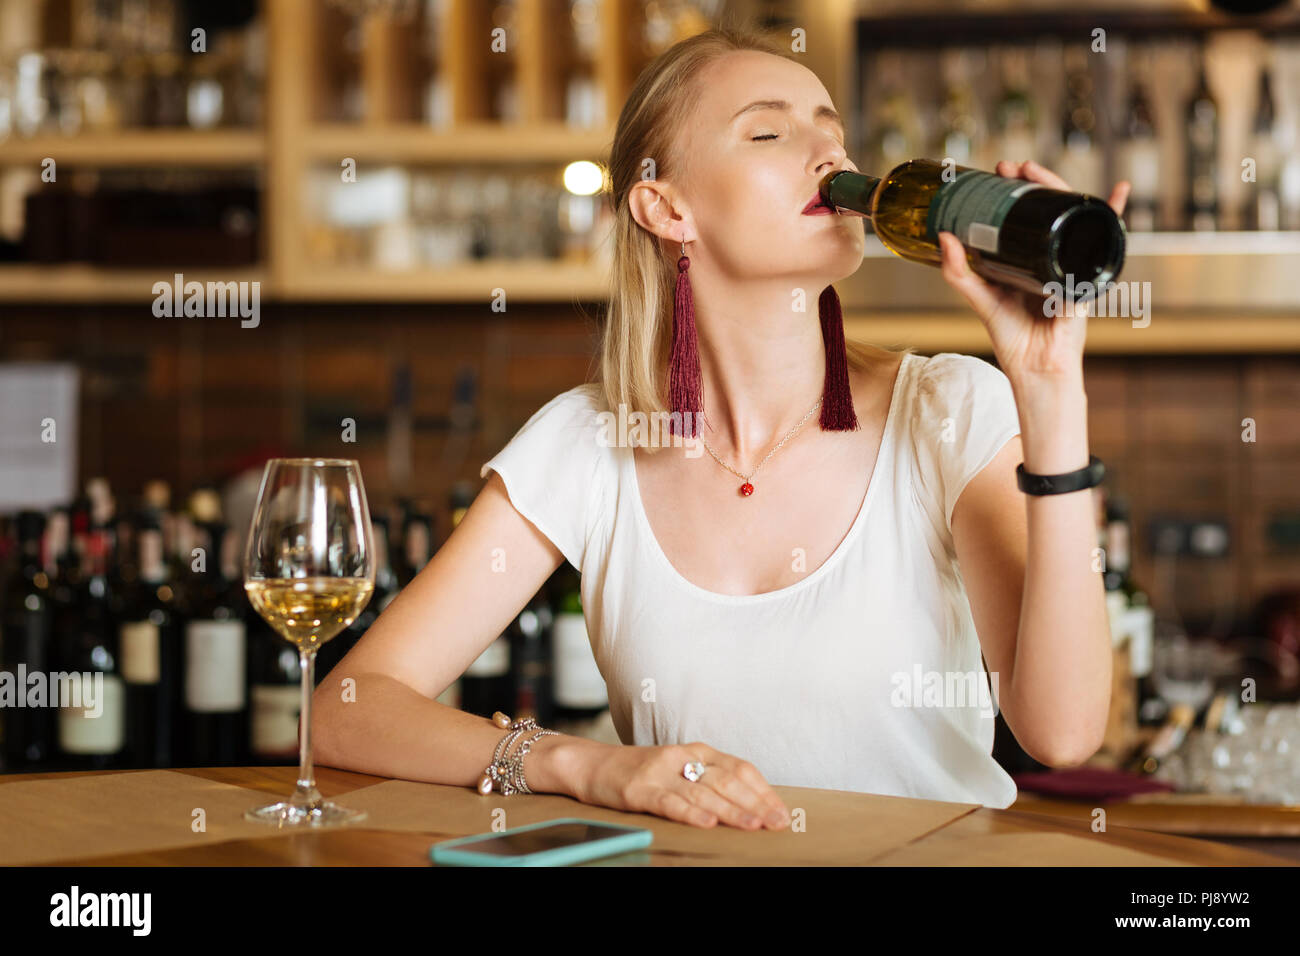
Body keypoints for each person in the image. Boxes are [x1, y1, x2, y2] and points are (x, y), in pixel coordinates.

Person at [313, 26, 1131, 831]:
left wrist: (1050, 389)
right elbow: (346, 711)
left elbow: (1060, 733)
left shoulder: (945, 410)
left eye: (832, 130)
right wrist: (586, 765)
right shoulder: (588, 447)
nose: (829, 156)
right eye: (770, 131)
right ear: (666, 206)